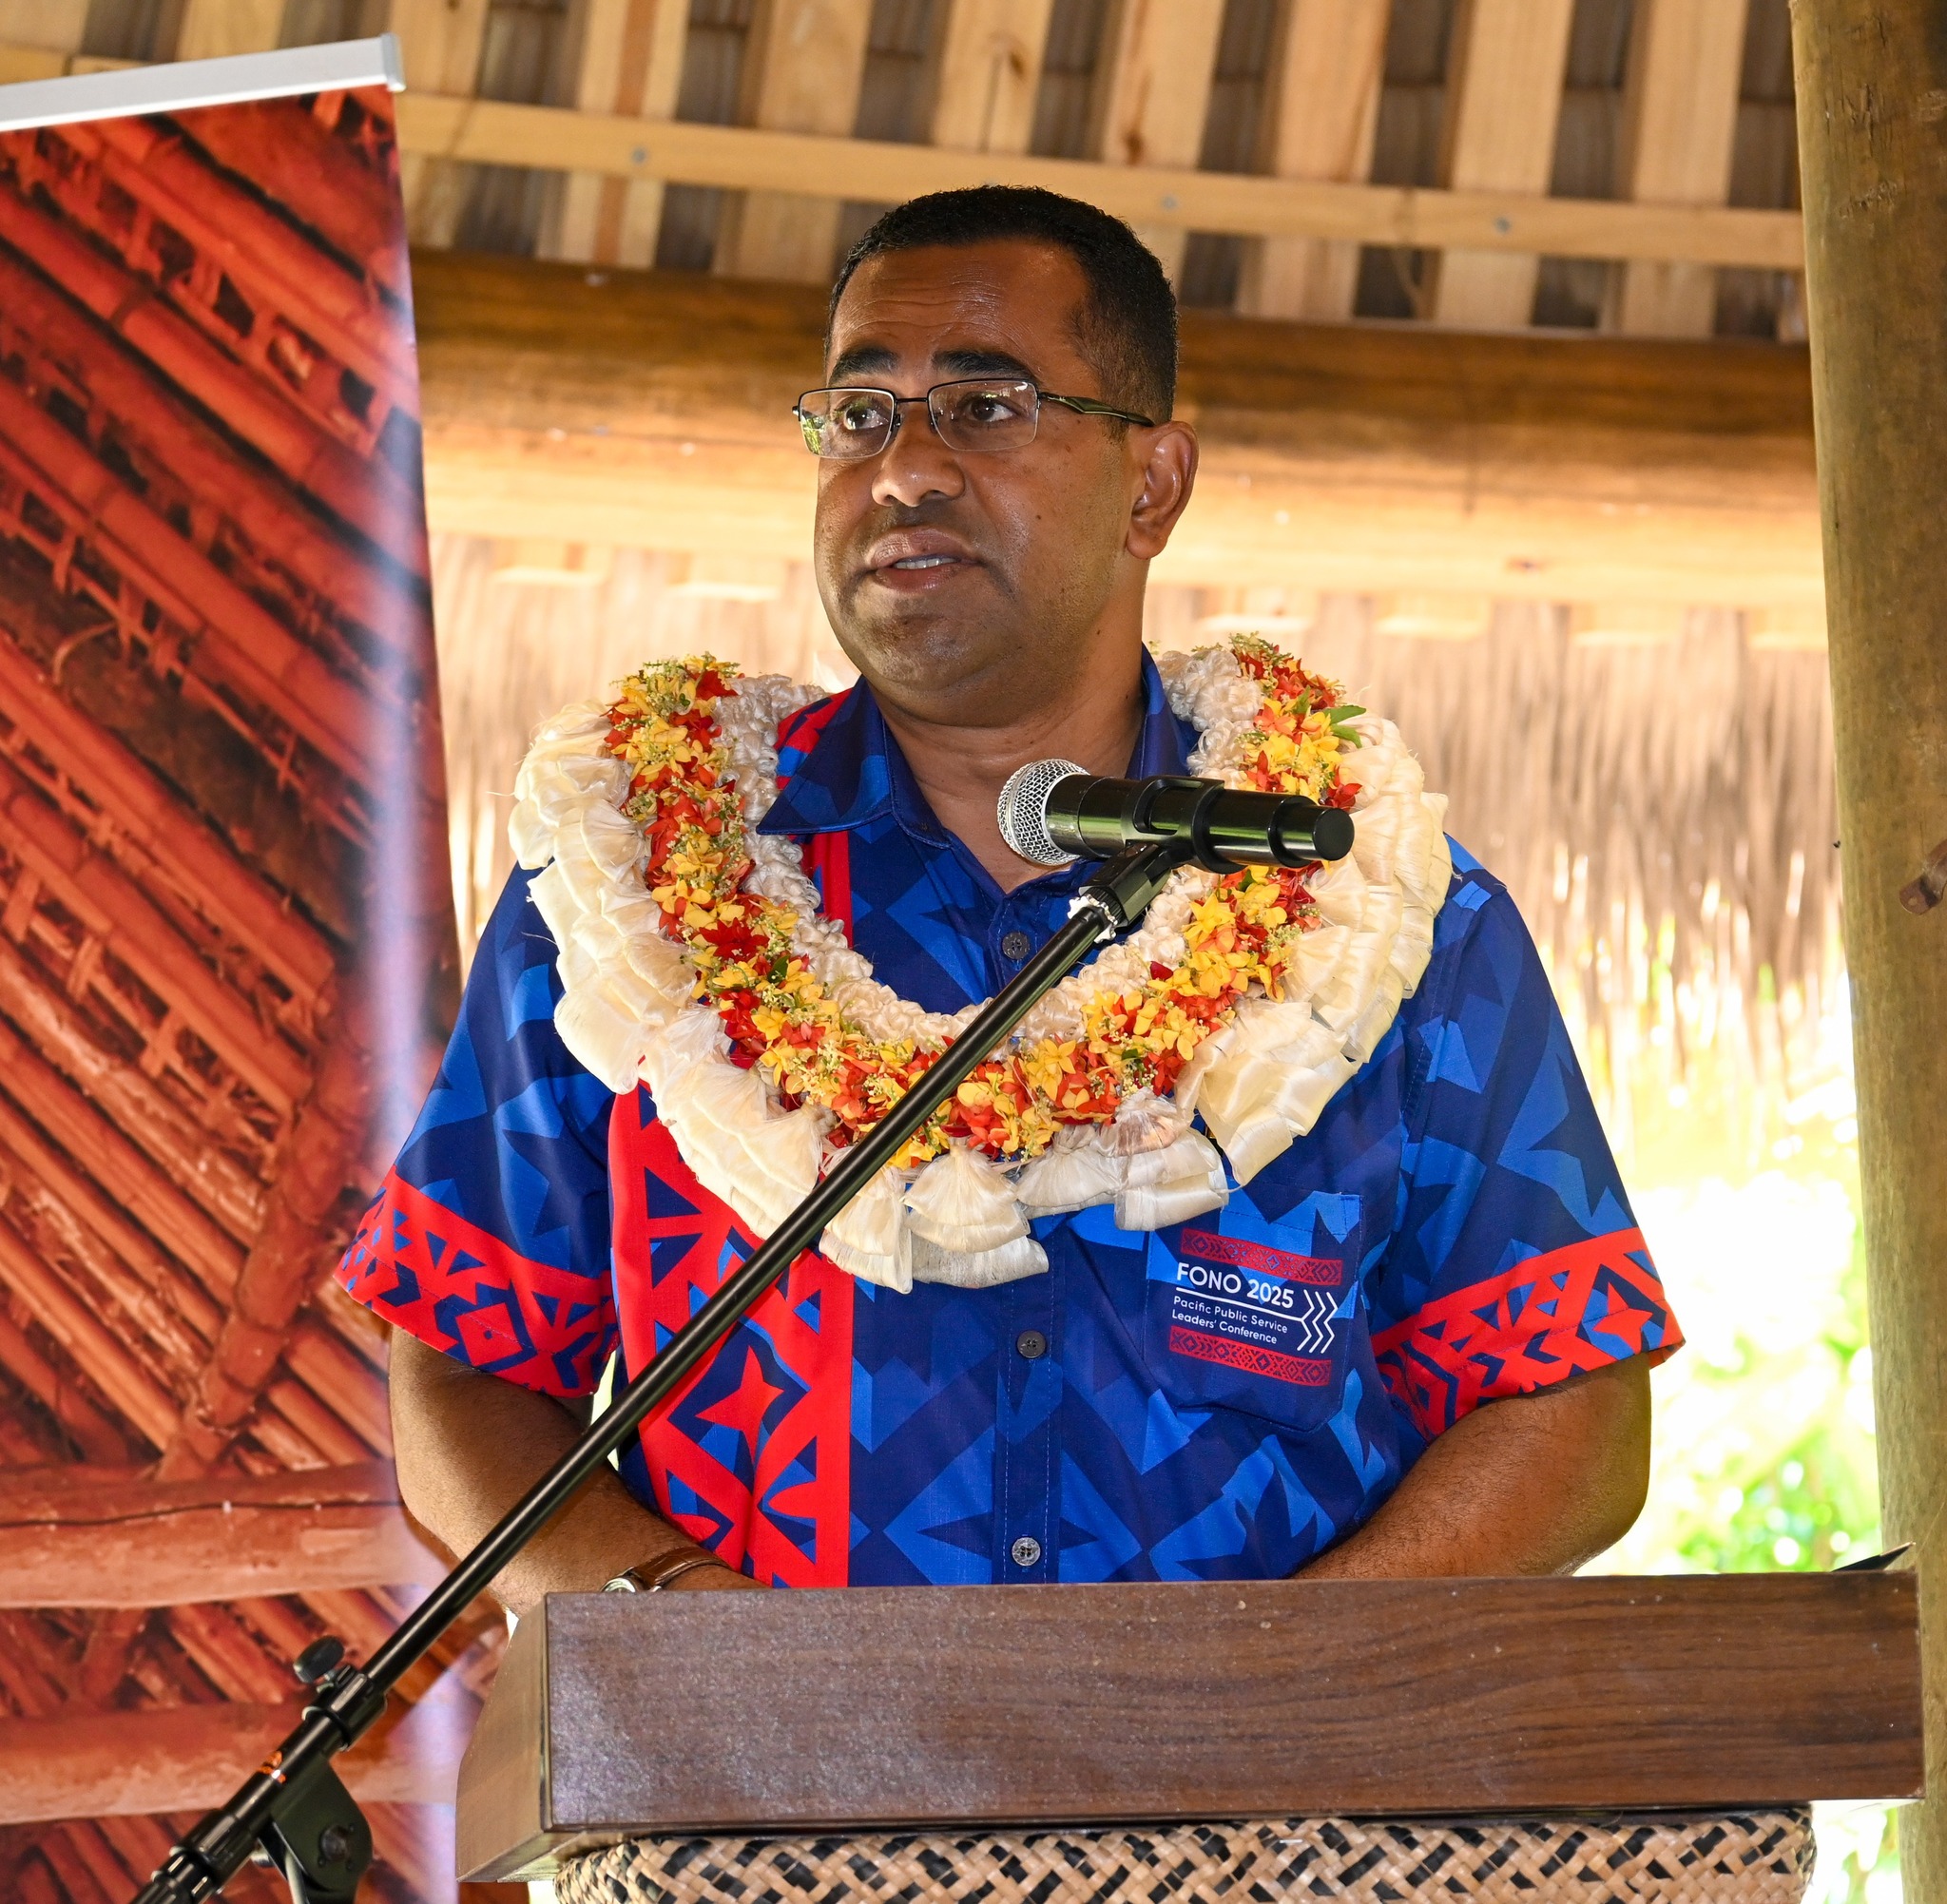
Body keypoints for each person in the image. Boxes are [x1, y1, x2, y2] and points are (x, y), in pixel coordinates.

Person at [339, 187, 1680, 1612]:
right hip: (766, 1760)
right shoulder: (634, 898)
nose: (903, 471)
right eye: (860, 414)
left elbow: (1568, 1410)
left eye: (985, 409)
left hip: (1267, 1760)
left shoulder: (1381, 919)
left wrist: (1277, 1697)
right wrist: (688, 1638)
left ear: (1151, 486)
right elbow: (465, 1369)